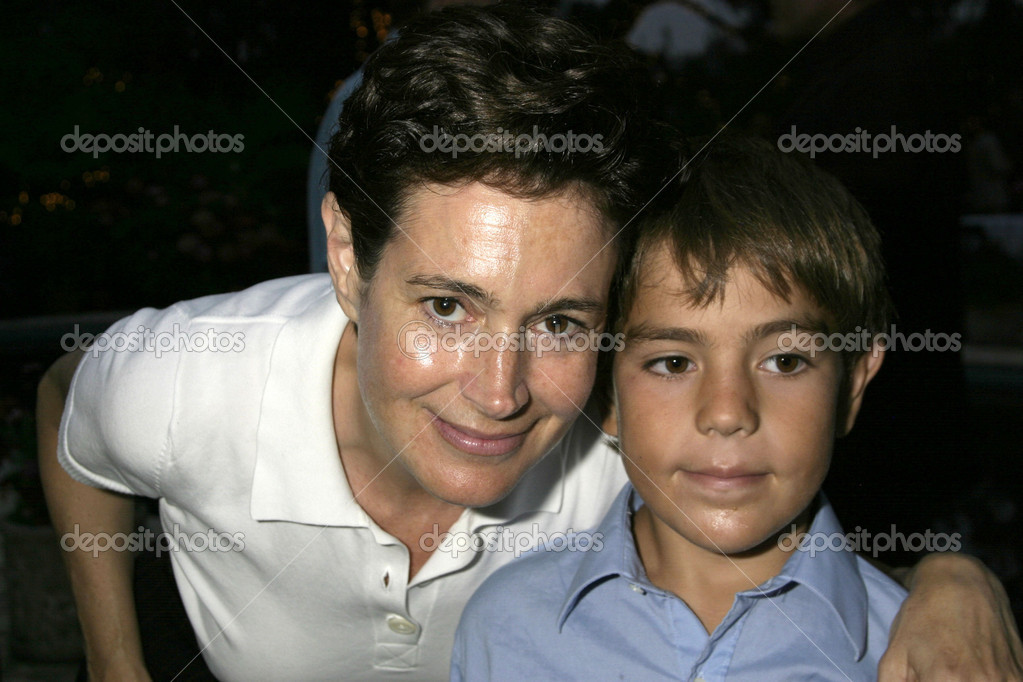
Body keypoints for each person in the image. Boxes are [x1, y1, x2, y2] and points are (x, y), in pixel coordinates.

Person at [36, 5, 1023, 681]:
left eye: (560, 320)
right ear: (345, 253)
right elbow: (67, 405)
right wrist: (119, 660)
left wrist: (951, 579)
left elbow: (763, 495)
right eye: (448, 307)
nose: (501, 392)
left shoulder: (619, 434)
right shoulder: (190, 378)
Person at [450, 137, 1016, 680]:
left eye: (785, 362)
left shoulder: (934, 659)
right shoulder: (506, 627)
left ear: (852, 385)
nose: (727, 413)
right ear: (606, 396)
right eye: (673, 363)